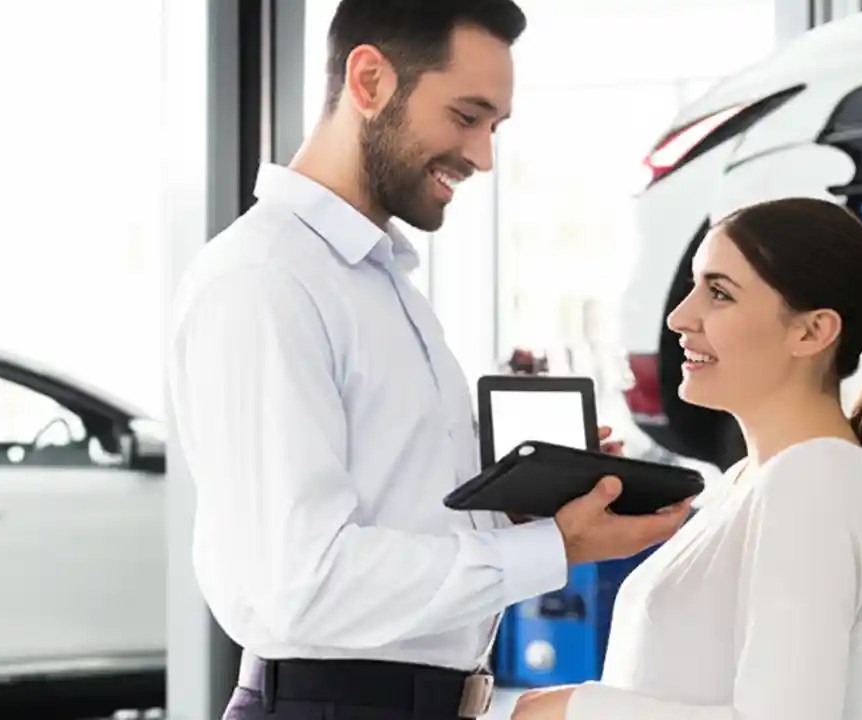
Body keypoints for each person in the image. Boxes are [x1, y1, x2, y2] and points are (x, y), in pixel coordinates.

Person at [166, 1, 693, 718]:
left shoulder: (385, 286)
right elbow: (303, 582)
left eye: (494, 127)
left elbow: (393, 523)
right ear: (370, 80)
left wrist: (515, 514)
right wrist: (552, 547)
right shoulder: (263, 279)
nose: (482, 156)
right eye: (466, 116)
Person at [513, 198, 862, 720]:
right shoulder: (753, 480)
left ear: (811, 331)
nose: (679, 316)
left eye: (718, 293)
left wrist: (575, 710)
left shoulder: (814, 482)